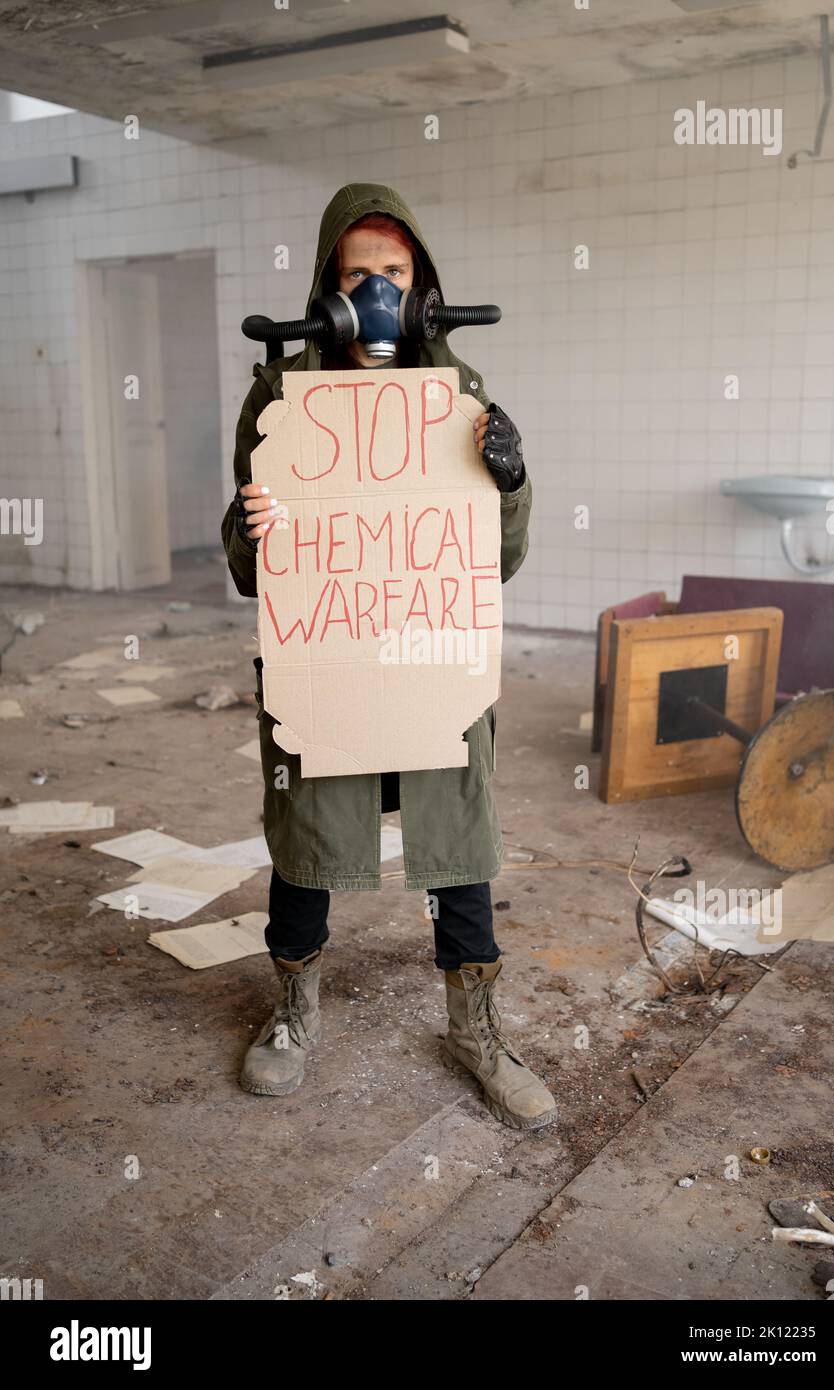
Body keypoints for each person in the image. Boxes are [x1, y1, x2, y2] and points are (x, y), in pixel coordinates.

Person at [221, 183, 556, 1130]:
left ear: (424, 286)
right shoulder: (279, 396)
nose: (377, 289)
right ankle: (292, 1009)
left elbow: (500, 558)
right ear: (328, 280)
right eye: (358, 271)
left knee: (460, 843)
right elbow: (250, 570)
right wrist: (254, 528)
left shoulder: (461, 397)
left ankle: (476, 1027)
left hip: (430, 656)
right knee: (309, 833)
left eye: (395, 272)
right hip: (324, 653)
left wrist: (513, 481)